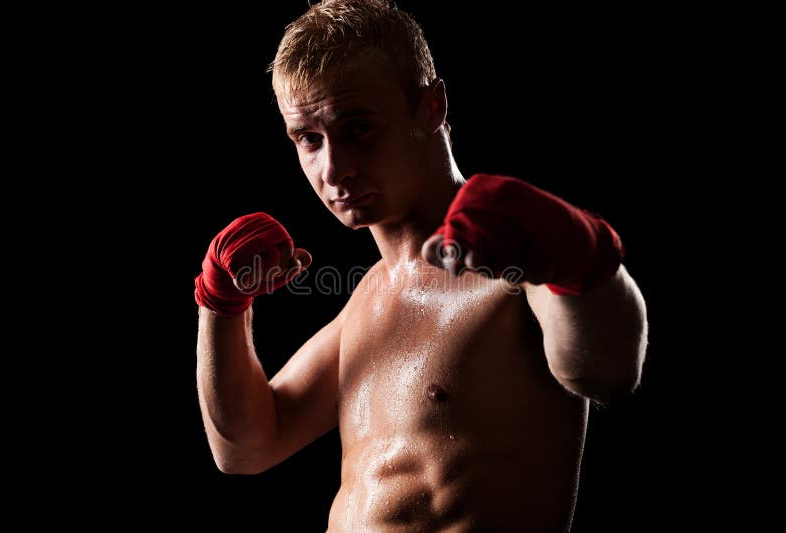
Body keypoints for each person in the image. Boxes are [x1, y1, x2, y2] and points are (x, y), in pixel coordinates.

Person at [194, 0, 648, 531]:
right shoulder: (369, 297)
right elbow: (247, 447)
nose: (333, 168)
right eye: (309, 140)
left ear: (431, 107)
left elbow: (608, 371)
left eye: (358, 128)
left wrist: (586, 262)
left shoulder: (519, 264)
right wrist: (221, 305)